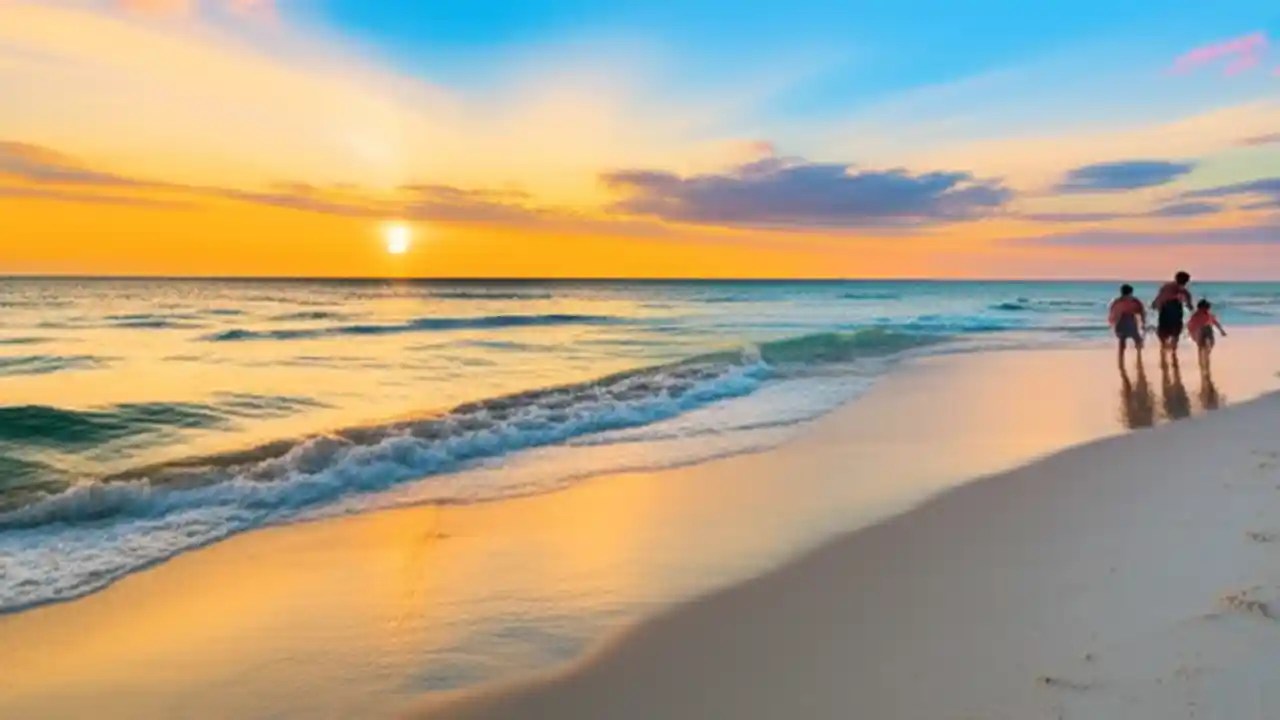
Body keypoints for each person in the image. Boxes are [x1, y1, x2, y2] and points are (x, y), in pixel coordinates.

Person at [1151, 271, 1193, 355]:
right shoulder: (1183, 290)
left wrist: (1155, 304)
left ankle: (1164, 351)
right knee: (1175, 333)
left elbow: (1159, 297)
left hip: (1164, 311)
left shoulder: (1166, 287)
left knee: (1163, 332)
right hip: (1174, 312)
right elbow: (1188, 302)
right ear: (1185, 281)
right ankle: (1173, 354)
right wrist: (1189, 306)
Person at [1108, 283, 1146, 366]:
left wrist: (1112, 323)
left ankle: (1121, 361)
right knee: (1137, 340)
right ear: (1131, 292)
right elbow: (1141, 311)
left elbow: (1112, 313)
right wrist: (1143, 322)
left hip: (1121, 322)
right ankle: (1138, 358)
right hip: (1130, 321)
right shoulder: (1134, 301)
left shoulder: (1117, 301)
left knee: (1122, 342)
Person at [1187, 299, 1226, 372]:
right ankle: (1204, 358)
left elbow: (1215, 323)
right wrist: (1191, 333)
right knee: (1204, 344)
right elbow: (1190, 325)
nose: (1207, 310)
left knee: (1204, 345)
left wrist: (1221, 331)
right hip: (1200, 332)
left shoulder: (1207, 315)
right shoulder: (1198, 315)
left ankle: (1204, 357)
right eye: (1206, 308)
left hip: (1202, 333)